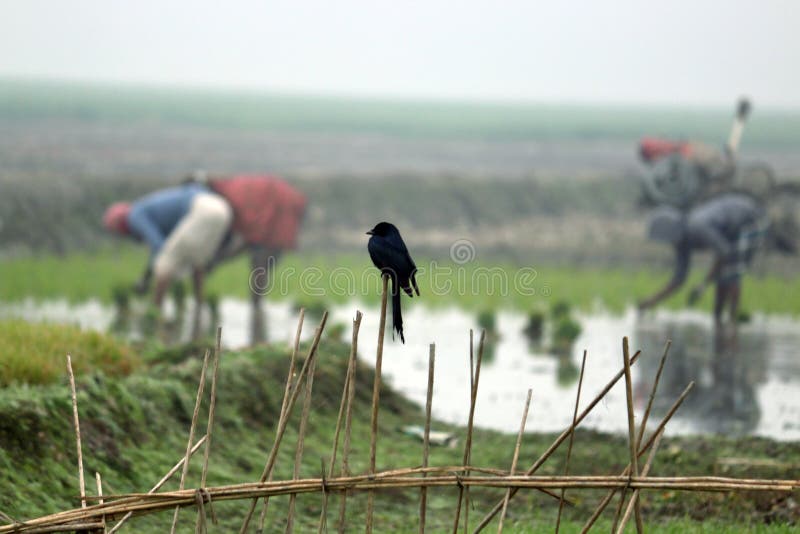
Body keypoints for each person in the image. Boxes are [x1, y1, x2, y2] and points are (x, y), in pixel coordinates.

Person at [103, 181, 233, 327]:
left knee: (164, 266)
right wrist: (146, 277)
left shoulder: (134, 215)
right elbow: (163, 248)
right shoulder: (149, 209)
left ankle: (154, 316)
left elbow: (158, 246)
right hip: (222, 208)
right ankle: (199, 313)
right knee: (197, 263)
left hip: (201, 210)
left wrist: (147, 280)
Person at [638, 192, 768, 324]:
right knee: (723, 274)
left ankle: (732, 321)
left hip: (750, 220)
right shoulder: (682, 243)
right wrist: (650, 302)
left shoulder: (698, 227)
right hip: (731, 231)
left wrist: (703, 285)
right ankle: (718, 321)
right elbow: (678, 280)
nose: (671, 244)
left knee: (730, 272)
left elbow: (724, 253)